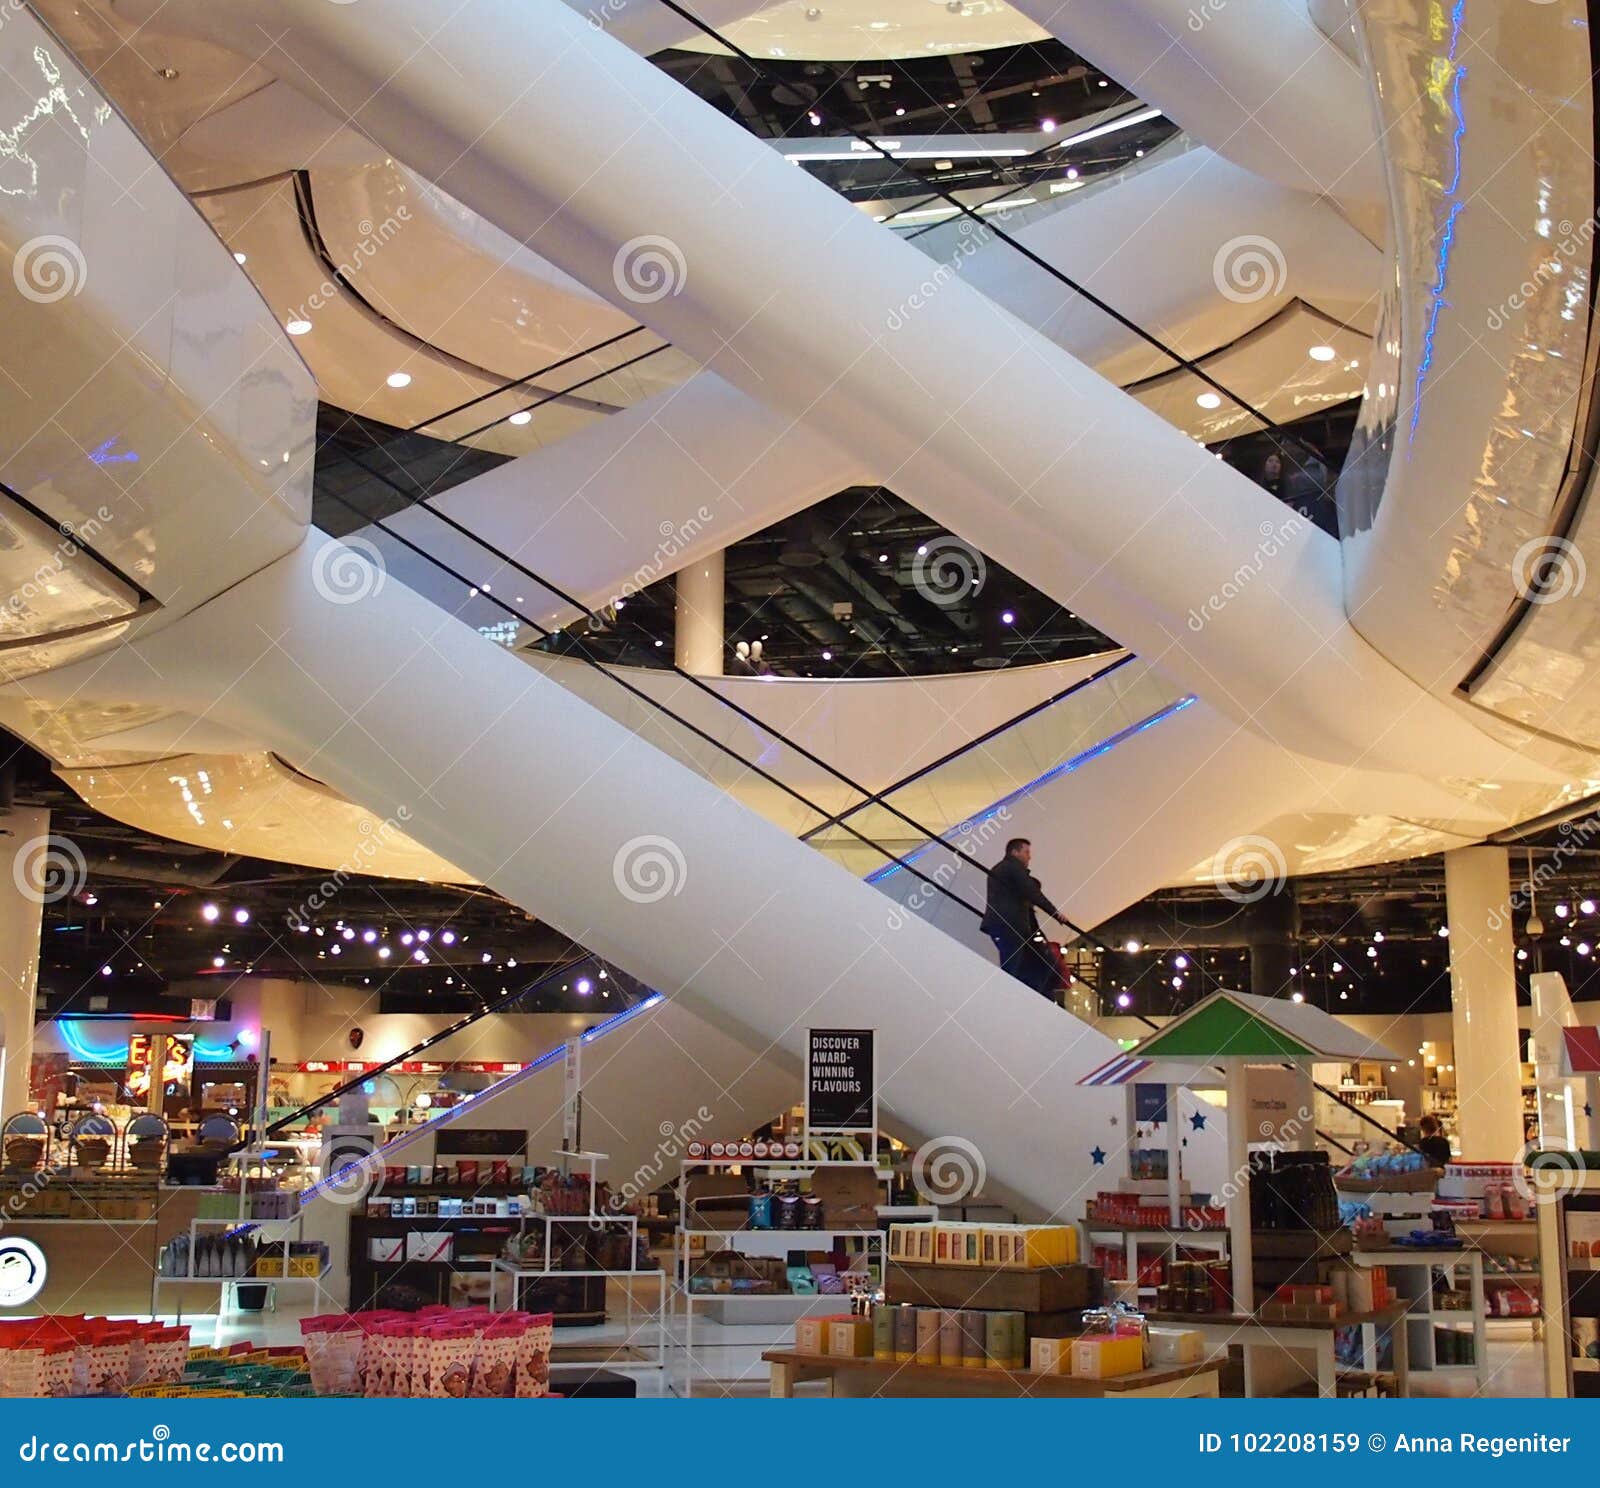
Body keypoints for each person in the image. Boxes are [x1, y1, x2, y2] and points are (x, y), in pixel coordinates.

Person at [981, 837, 1069, 999]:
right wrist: (1055, 913)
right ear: (1015, 852)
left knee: (1015, 965)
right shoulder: (1013, 869)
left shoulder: (1001, 869)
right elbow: (1032, 892)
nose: (1029, 856)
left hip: (1002, 924)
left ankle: (1012, 1000)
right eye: (1026, 852)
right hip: (1011, 925)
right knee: (1014, 968)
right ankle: (1008, 1001)